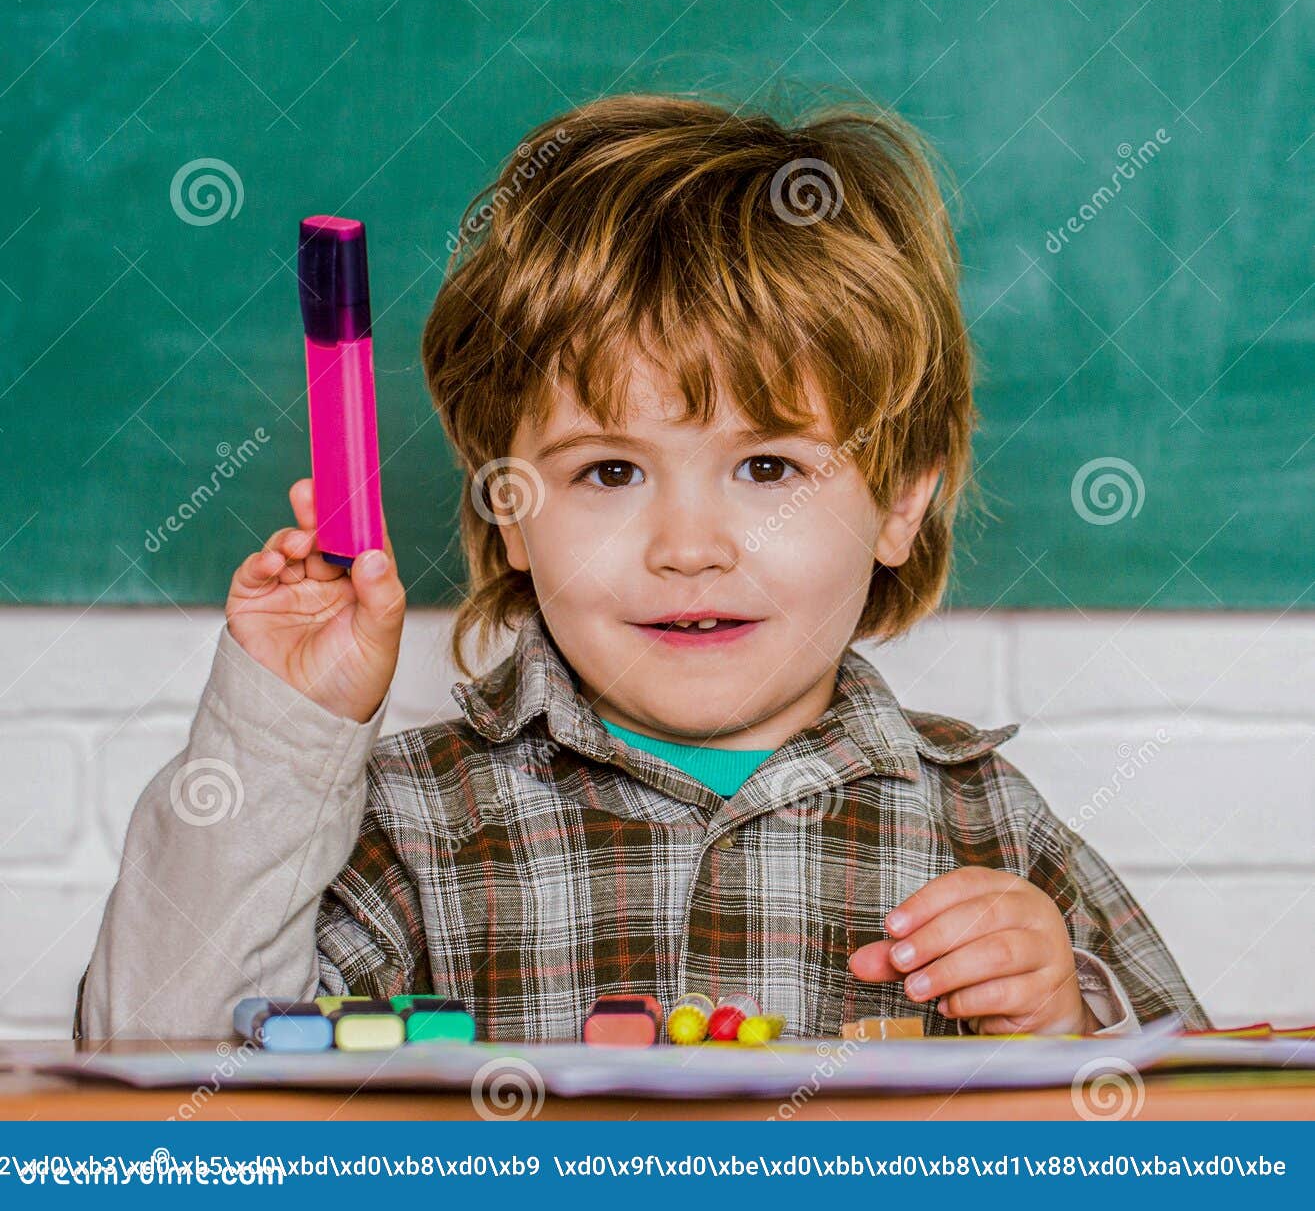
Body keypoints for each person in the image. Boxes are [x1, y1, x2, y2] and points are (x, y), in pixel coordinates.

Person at [75, 92, 1210, 1042]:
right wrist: (282, 728)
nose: (687, 546)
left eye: (768, 467)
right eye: (608, 473)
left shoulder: (990, 828)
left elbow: (1217, 1136)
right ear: (508, 511)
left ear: (898, 501)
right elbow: (160, 1085)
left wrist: (1067, 1023)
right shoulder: (415, 822)